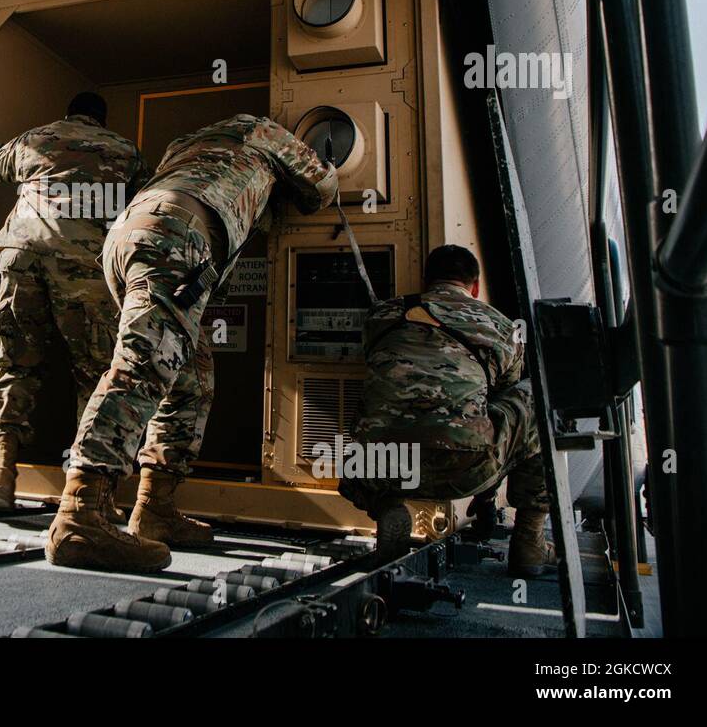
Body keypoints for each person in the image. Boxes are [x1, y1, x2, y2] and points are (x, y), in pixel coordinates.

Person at [46, 114, 337, 571]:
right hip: (176, 236)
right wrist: (327, 168)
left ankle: (154, 506)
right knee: (143, 365)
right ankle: (80, 512)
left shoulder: (185, 140)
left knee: (191, 381)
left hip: (129, 236)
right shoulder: (261, 130)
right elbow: (319, 189)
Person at [0, 92, 150, 509]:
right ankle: (85, 487)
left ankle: (1, 475)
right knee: (94, 373)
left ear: (68, 112)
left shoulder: (35, 138)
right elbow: (140, 203)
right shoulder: (124, 150)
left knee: (16, 364)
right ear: (101, 120)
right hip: (83, 262)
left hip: (22, 253)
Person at [337, 245, 555, 577]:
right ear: (476, 286)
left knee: (376, 410)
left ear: (425, 281)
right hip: (464, 467)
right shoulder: (503, 328)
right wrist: (486, 498)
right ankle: (529, 542)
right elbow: (498, 404)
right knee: (537, 399)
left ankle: (387, 508)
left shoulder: (380, 316)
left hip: (375, 467)